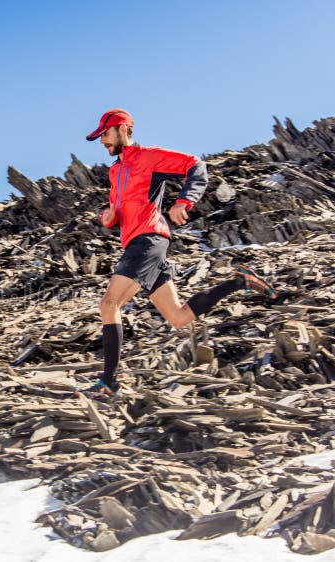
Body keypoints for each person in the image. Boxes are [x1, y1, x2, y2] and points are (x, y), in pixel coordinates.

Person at [83, 108, 276, 396]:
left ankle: (108, 383)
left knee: (109, 305)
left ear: (123, 129)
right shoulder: (115, 171)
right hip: (141, 245)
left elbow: (195, 165)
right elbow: (115, 214)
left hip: (147, 241)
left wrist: (184, 201)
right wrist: (108, 218)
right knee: (179, 318)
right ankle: (239, 281)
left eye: (106, 134)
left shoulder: (148, 157)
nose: (102, 142)